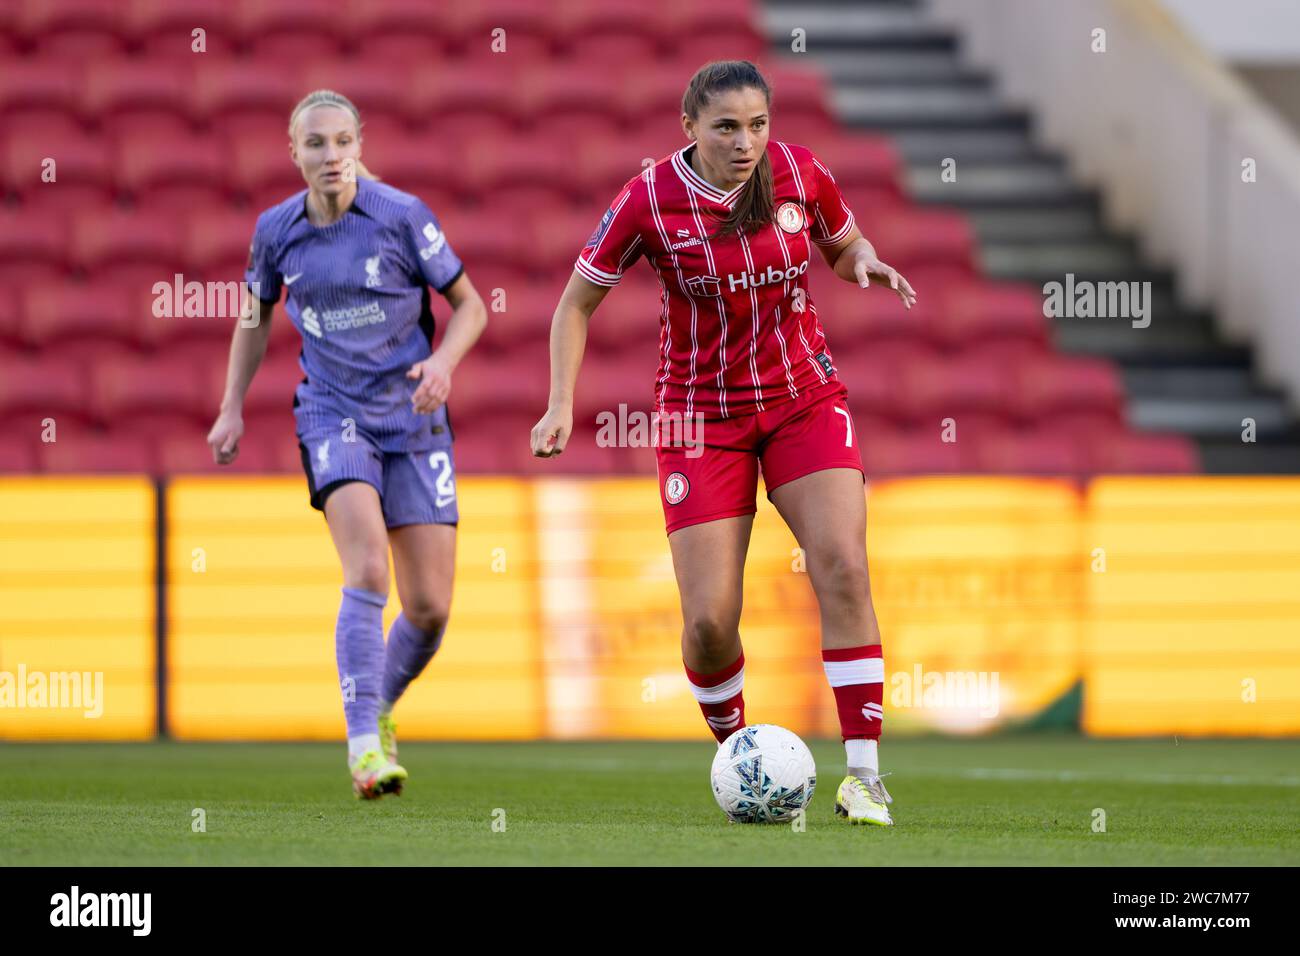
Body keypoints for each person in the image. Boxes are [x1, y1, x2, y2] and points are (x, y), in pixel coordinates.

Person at [530, 61, 916, 826]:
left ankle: (865, 777)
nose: (747, 143)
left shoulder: (799, 172)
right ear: (690, 128)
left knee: (841, 563)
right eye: (727, 128)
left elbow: (843, 244)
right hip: (700, 417)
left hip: (804, 398)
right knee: (709, 621)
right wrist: (559, 406)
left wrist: (861, 259)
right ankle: (745, 759)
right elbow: (575, 304)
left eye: (758, 124)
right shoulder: (647, 201)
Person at [207, 89, 487, 799]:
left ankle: (377, 707)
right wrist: (231, 407)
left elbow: (470, 307)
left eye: (341, 142)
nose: (330, 156)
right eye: (315, 144)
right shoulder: (276, 231)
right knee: (367, 568)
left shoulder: (401, 216)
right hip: (334, 416)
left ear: (360, 143)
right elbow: (254, 316)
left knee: (428, 610)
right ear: (293, 153)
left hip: (415, 420)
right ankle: (364, 745)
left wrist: (443, 364)